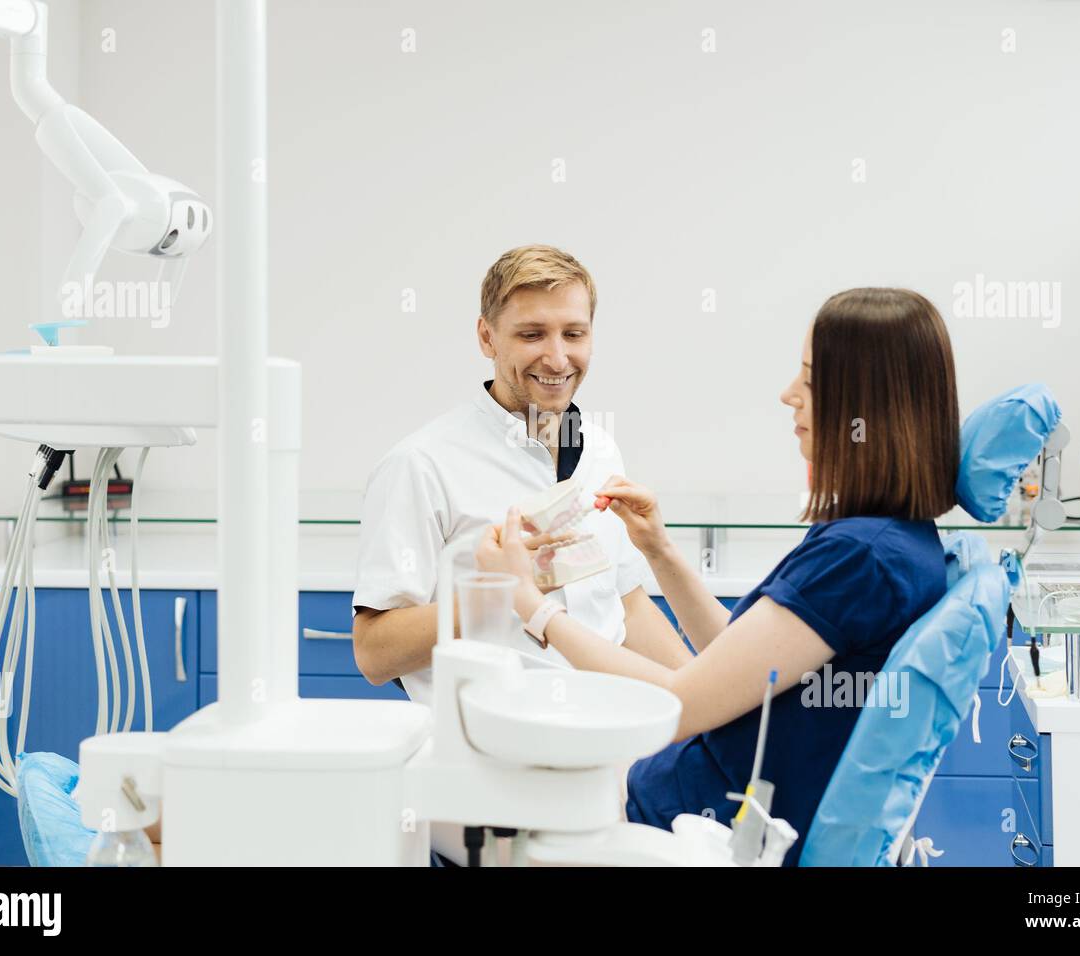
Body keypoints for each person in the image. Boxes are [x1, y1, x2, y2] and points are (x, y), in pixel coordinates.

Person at [474, 287, 960, 865]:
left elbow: (682, 700)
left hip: (685, 824)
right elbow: (743, 663)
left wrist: (530, 603)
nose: (787, 396)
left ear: (865, 404)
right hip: (683, 798)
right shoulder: (887, 539)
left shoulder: (862, 559)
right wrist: (659, 551)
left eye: (808, 379)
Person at [352, 244, 688, 708]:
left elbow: (626, 605)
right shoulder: (421, 464)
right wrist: (501, 593)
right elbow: (373, 652)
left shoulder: (601, 451)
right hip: (488, 752)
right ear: (487, 338)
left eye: (573, 334)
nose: (556, 359)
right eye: (531, 335)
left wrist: (702, 696)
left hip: (606, 736)